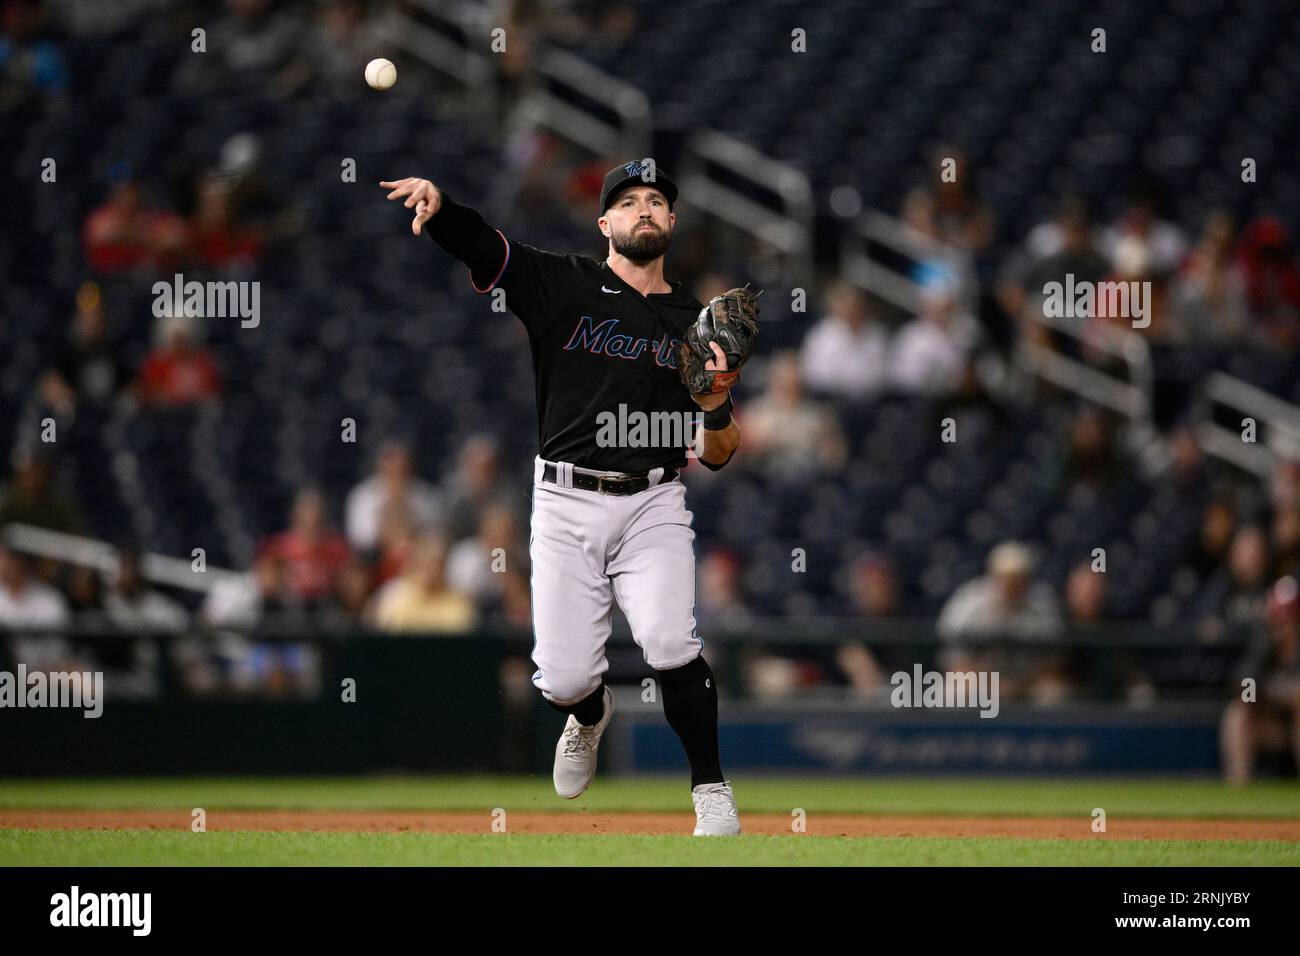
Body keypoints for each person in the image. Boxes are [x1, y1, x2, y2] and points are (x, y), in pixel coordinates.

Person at [379, 159, 745, 834]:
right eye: (628, 201)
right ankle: (588, 713)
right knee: (561, 680)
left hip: (653, 503)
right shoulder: (563, 283)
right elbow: (487, 247)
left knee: (670, 640)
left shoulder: (696, 322)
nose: (643, 208)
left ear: (671, 221)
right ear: (604, 222)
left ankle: (711, 791)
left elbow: (719, 454)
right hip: (565, 502)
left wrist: (717, 406)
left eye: (656, 201)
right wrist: (444, 207)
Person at [1220, 575, 1300, 781]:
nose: (1279, 627)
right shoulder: (1264, 645)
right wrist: (1257, 698)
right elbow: (1244, 680)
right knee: (1236, 716)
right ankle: (1240, 792)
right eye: (1275, 620)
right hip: (1276, 727)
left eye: (1285, 620)